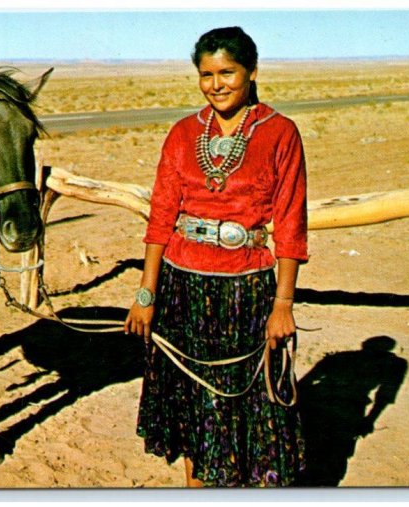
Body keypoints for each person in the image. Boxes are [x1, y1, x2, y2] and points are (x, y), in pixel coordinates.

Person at [124, 26, 308, 487]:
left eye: (227, 72)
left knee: (245, 408)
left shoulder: (280, 133)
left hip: (246, 291)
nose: (216, 84)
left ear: (252, 72)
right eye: (206, 75)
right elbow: (161, 218)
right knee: (192, 407)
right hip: (183, 289)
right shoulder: (183, 133)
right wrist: (146, 294)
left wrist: (283, 305)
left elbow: (290, 226)